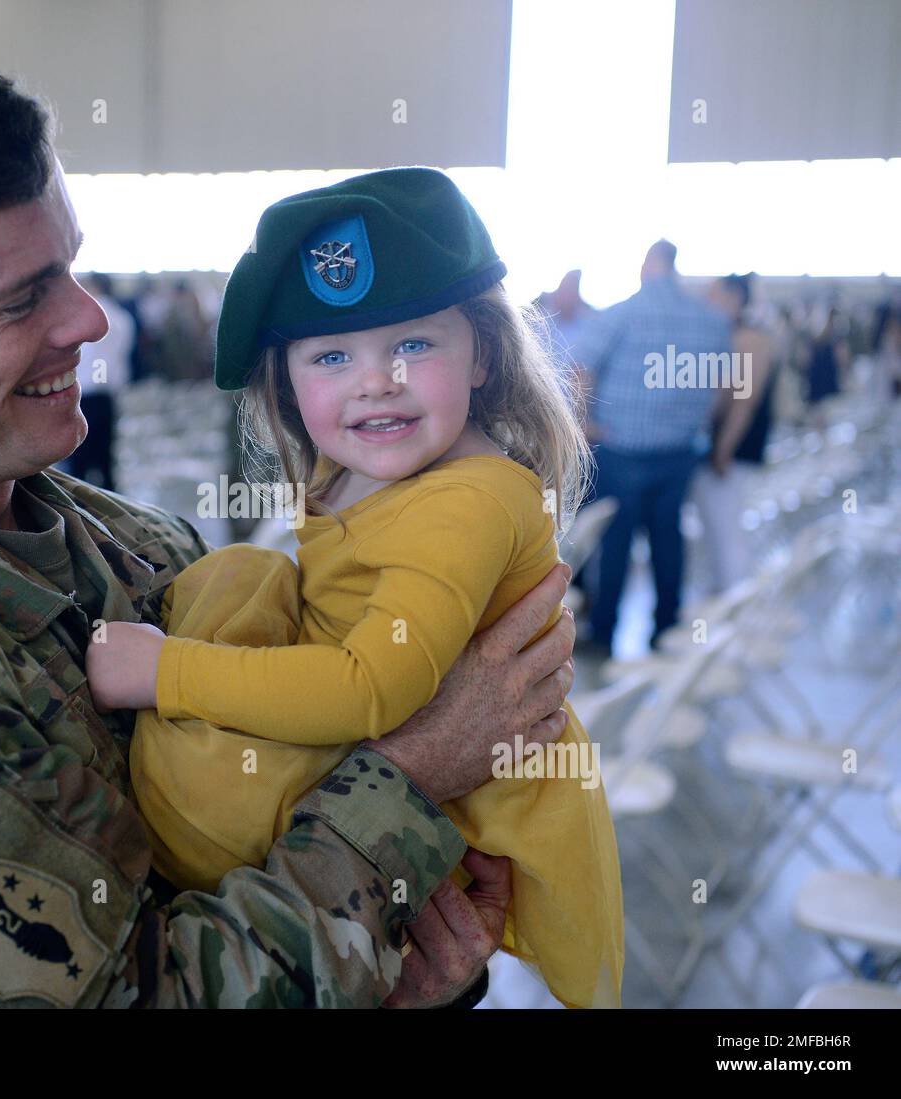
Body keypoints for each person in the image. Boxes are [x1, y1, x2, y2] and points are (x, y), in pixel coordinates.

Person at [0, 21, 577, 1010]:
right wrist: (410, 782)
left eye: (70, 266)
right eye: (21, 301)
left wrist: (415, 953)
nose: (88, 320)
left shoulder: (117, 539)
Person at [86, 169, 622, 1009]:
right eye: (332, 355)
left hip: (448, 787)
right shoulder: (367, 471)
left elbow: (369, 686)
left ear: (481, 352)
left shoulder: (469, 499)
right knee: (245, 574)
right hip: (378, 753)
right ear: (289, 383)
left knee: (201, 773)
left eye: (412, 344)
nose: (376, 380)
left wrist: (167, 672)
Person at [571, 240, 732, 657]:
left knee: (616, 541)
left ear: (649, 265)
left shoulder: (624, 312)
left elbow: (580, 369)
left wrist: (584, 422)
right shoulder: (710, 321)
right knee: (668, 538)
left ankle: (605, 633)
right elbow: (720, 386)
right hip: (679, 451)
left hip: (622, 448)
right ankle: (665, 630)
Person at [692, 274, 776, 594]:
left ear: (734, 297)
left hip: (733, 449)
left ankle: (735, 604)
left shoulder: (749, 337)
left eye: (713, 295)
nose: (707, 302)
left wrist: (724, 449)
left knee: (727, 532)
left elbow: (745, 400)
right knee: (715, 532)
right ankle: (725, 601)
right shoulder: (730, 333)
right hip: (719, 446)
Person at [65, 273, 134, 490]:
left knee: (80, 460)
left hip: (85, 393)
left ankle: (80, 510)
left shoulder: (85, 317)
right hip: (108, 394)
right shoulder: (122, 317)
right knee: (105, 457)